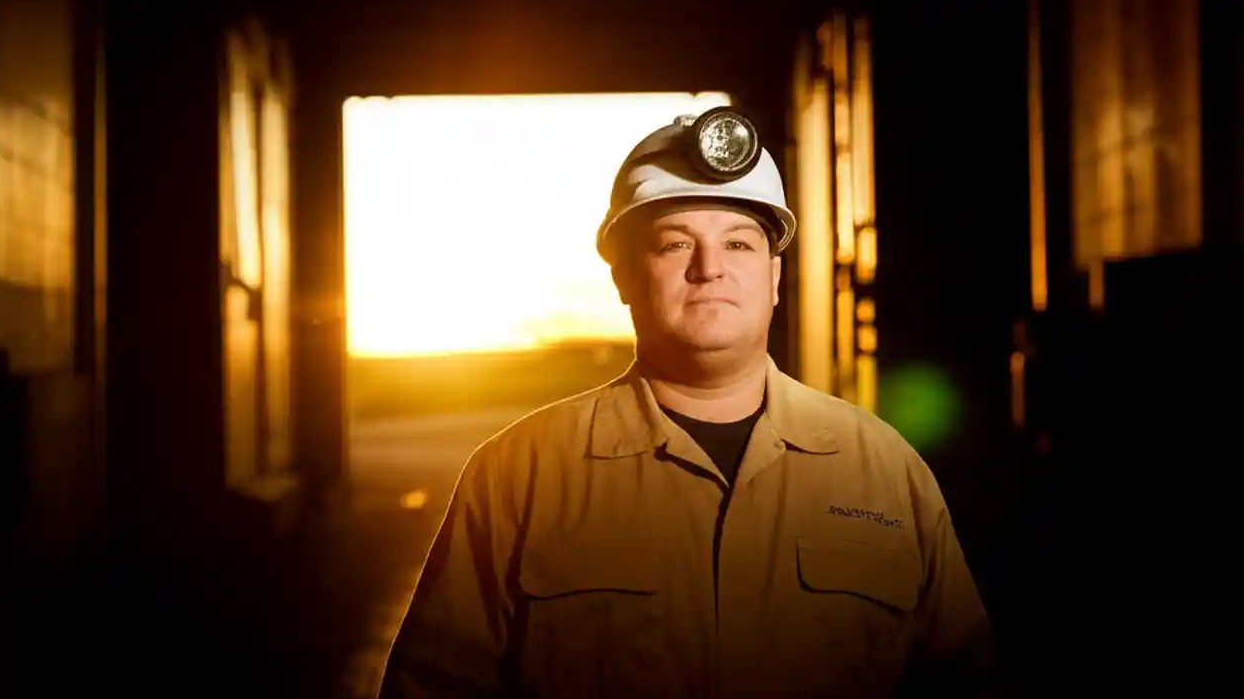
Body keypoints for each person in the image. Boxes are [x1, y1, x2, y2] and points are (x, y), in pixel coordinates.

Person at [379, 107, 1000, 698]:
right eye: (675, 244)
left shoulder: (885, 470)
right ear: (624, 277)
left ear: (775, 278)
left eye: (739, 245)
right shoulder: (519, 476)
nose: (709, 268)